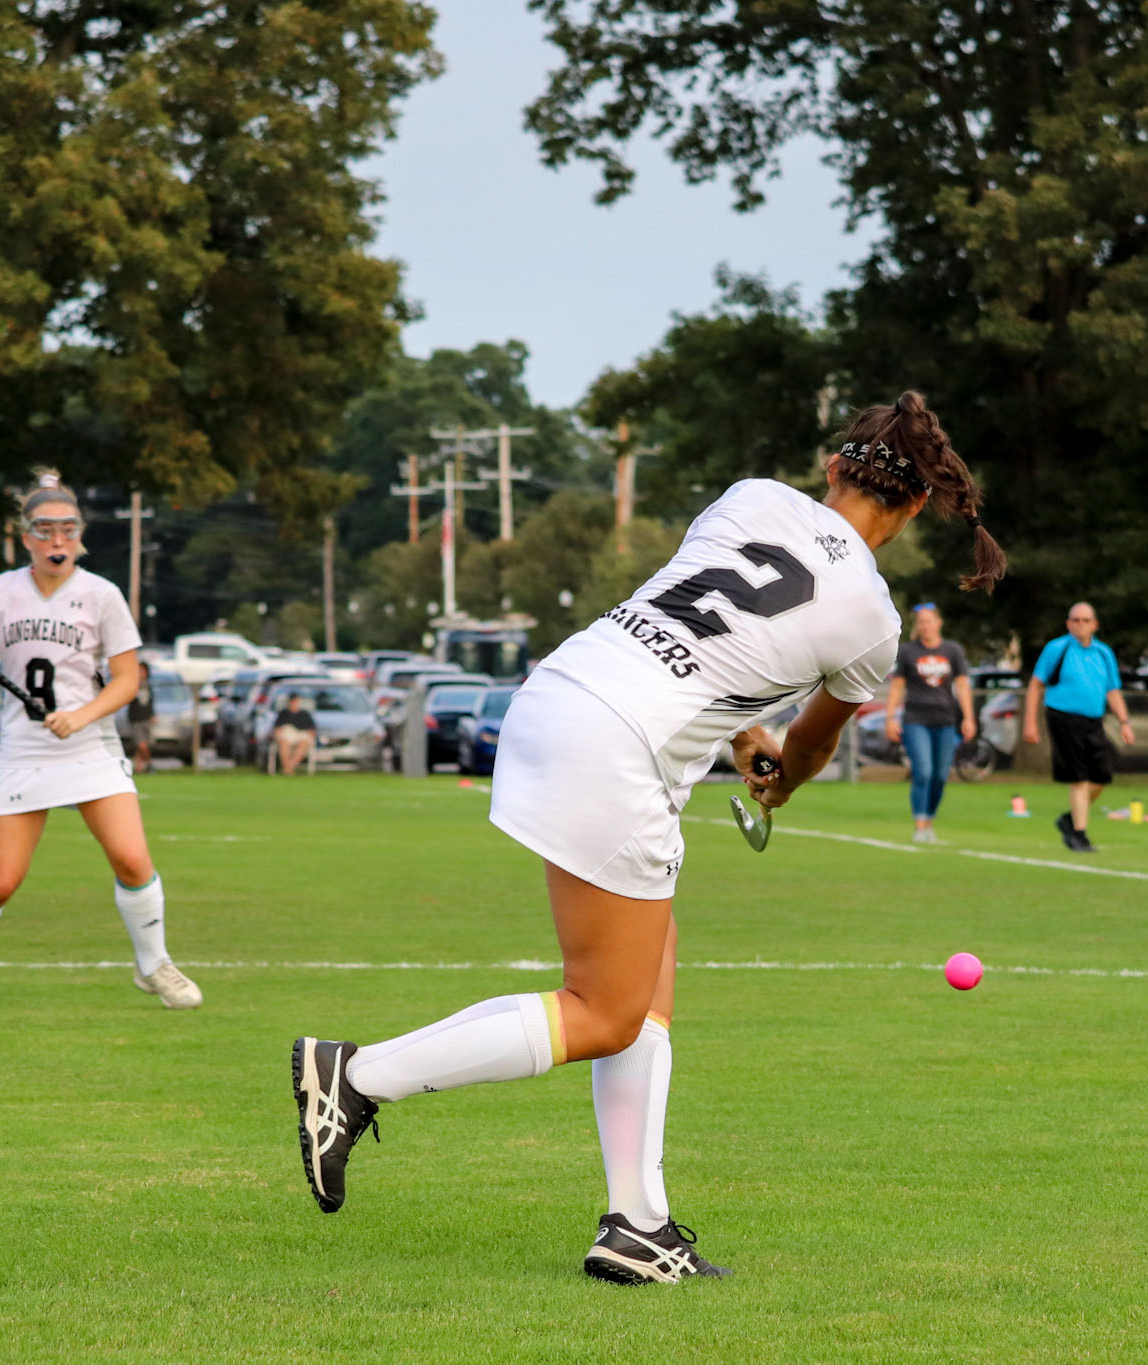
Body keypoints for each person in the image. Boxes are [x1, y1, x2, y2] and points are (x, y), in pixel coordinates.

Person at [290, 391, 1005, 1284]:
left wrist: (740, 731)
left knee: (650, 967)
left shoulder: (749, 496)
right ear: (909, 509)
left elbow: (698, 638)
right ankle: (357, 1075)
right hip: (616, 747)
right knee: (605, 1008)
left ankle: (637, 1222)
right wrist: (779, 776)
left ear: (834, 466)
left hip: (564, 688)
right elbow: (813, 741)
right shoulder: (871, 617)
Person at [0, 472, 202, 1015]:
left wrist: (81, 715)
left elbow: (128, 680)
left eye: (67, 529)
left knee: (133, 860)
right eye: (45, 530)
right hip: (26, 752)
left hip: (90, 748)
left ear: (80, 535)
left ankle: (154, 965)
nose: (57, 541)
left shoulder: (101, 595)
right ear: (26, 537)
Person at [1020, 602, 1135, 853]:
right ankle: (1079, 835)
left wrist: (1124, 722)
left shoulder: (1103, 653)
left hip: (1093, 720)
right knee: (1079, 777)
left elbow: (1112, 690)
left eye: (1085, 620)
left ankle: (1069, 820)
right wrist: (1030, 722)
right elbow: (1036, 685)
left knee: (1101, 775)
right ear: (1068, 623)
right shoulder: (1057, 649)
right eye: (1075, 620)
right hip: (1063, 717)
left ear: (1095, 624)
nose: (1079, 625)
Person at [885, 604, 976, 842]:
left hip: (945, 720)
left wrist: (968, 717)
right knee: (923, 771)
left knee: (940, 775)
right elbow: (897, 686)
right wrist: (890, 717)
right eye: (921, 622)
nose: (926, 626)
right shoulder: (907, 652)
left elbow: (963, 685)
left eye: (929, 621)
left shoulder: (952, 650)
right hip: (916, 720)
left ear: (939, 622)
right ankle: (920, 824)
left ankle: (930, 819)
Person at [273, 691, 315, 774]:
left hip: (301, 735)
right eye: (292, 701)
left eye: (295, 701)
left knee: (303, 744)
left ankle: (288, 768)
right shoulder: (283, 714)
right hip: (287, 734)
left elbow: (311, 730)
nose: (293, 703)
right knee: (284, 743)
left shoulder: (305, 714)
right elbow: (277, 729)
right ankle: (288, 769)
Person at [128, 660, 156, 773]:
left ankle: (137, 768)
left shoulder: (148, 686)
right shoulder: (133, 685)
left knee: (143, 746)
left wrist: (152, 715)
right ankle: (150, 765)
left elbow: (151, 702)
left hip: (146, 719)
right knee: (142, 745)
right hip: (135, 719)